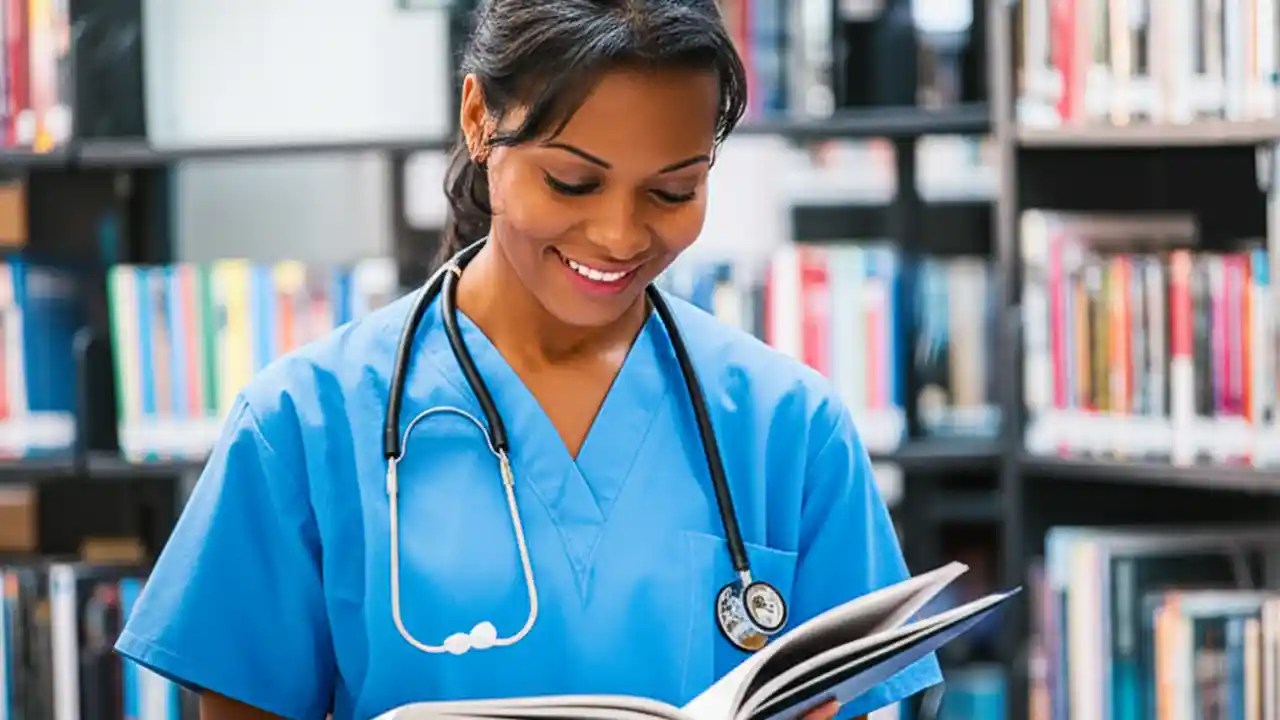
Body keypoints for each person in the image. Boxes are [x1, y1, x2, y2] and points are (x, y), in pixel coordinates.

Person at [112, 1, 944, 718]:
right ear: (479, 119)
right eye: (572, 184)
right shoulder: (303, 425)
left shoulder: (788, 430)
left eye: (673, 191)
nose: (619, 237)